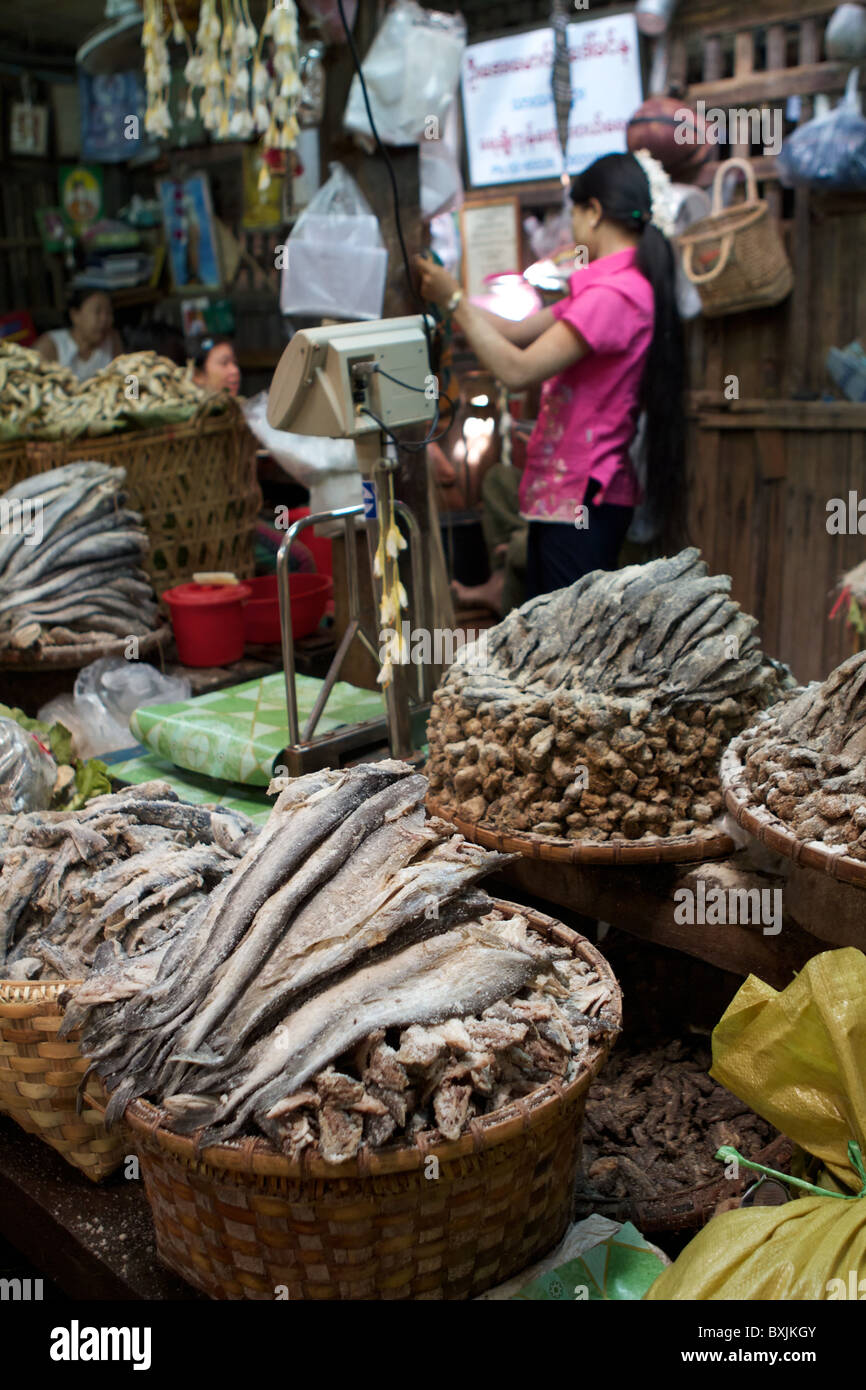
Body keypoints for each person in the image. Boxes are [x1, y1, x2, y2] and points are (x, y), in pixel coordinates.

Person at [415, 152, 686, 599]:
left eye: (572, 214)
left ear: (594, 212)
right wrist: (451, 298)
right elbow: (517, 332)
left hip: (585, 494)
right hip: (568, 494)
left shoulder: (614, 296)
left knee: (569, 647)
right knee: (553, 635)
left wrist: (456, 299)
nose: (571, 228)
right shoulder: (607, 288)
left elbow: (515, 370)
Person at [34, 288, 123, 382]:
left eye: (109, 312)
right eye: (97, 312)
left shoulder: (112, 340)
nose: (105, 319)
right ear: (75, 315)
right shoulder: (50, 345)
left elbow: (123, 377)